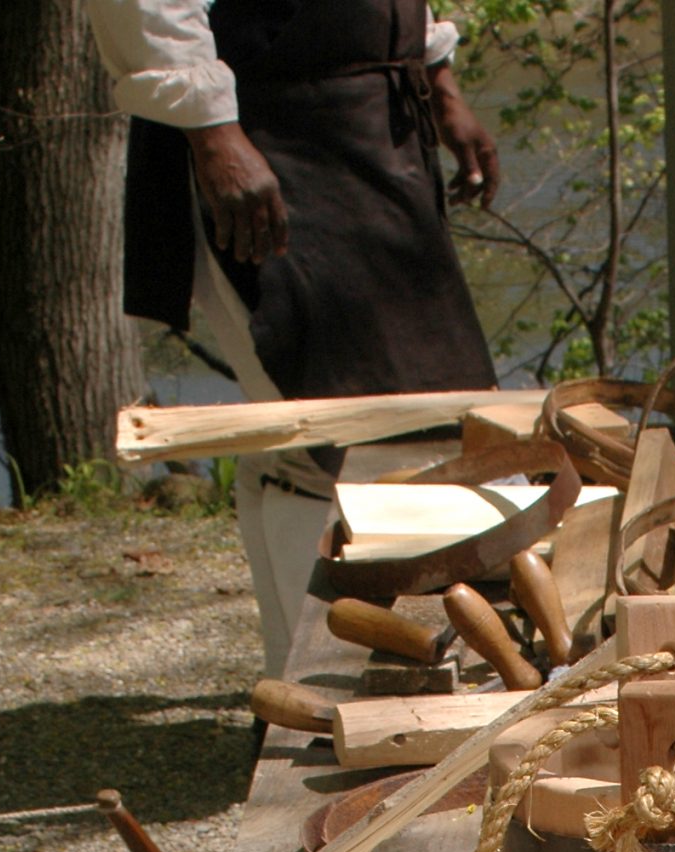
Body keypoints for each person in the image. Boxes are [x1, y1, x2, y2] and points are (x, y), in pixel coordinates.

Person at [86, 1, 502, 675]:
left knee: (400, 428)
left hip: (376, 125)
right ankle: (317, 695)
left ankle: (297, 688)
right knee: (326, 436)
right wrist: (214, 134)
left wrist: (438, 77)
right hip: (270, 134)